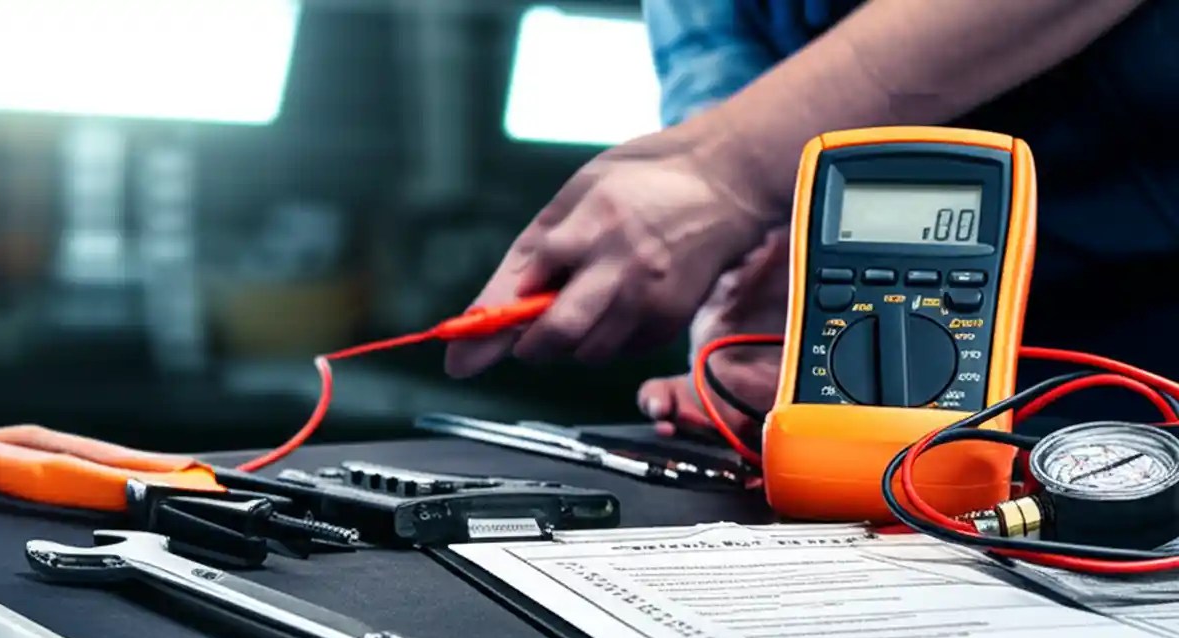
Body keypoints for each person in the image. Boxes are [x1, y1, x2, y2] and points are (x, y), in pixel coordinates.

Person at [446, 0, 1179, 436]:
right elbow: (713, 44)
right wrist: (763, 284)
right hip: (905, 387)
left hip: (1136, 345)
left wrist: (725, 168)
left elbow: (728, 160)